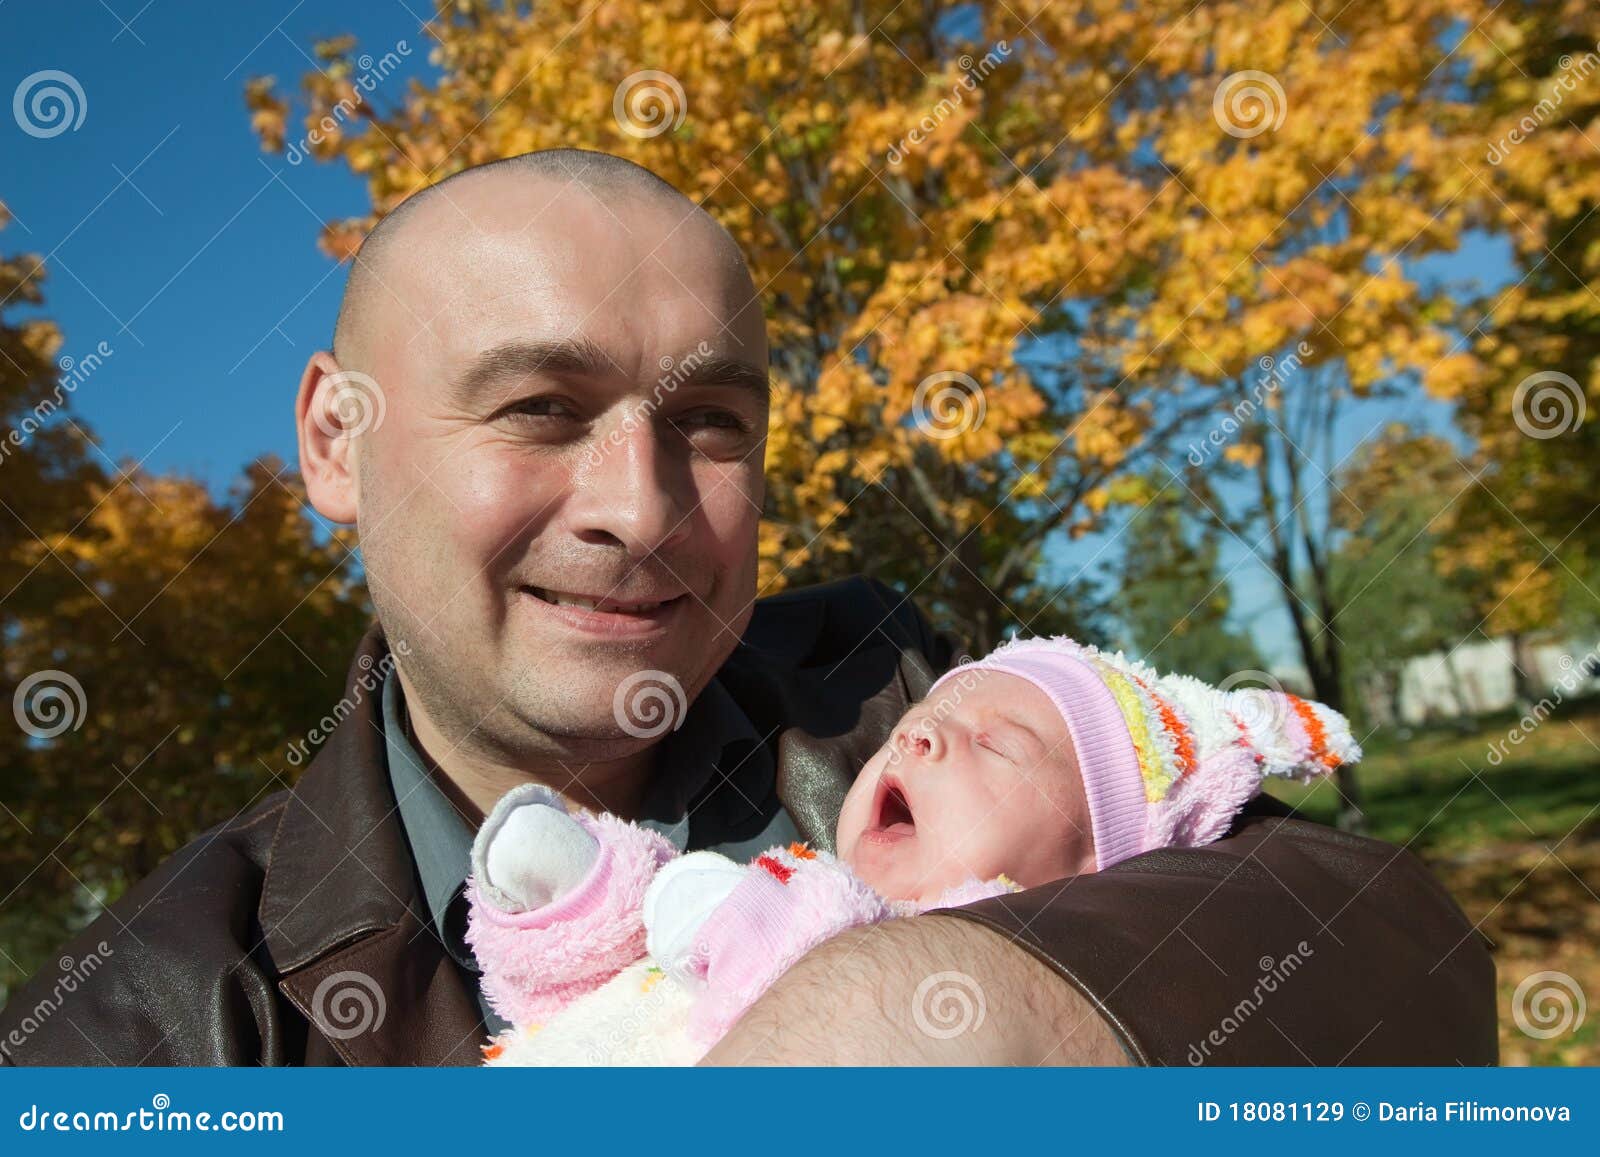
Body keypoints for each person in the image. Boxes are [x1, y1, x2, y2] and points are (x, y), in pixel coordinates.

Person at [0, 149, 1496, 1067]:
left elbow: (1390, 933)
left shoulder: (893, 694)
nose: (639, 508)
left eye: (710, 422)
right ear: (337, 438)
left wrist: (964, 1015)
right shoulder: (164, 1016)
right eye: (538, 405)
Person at [464, 633, 1365, 1065]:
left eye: (1001, 742)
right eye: (927, 721)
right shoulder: (795, 881)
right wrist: (584, 909)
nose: (916, 740)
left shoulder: (960, 971)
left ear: (1103, 867)